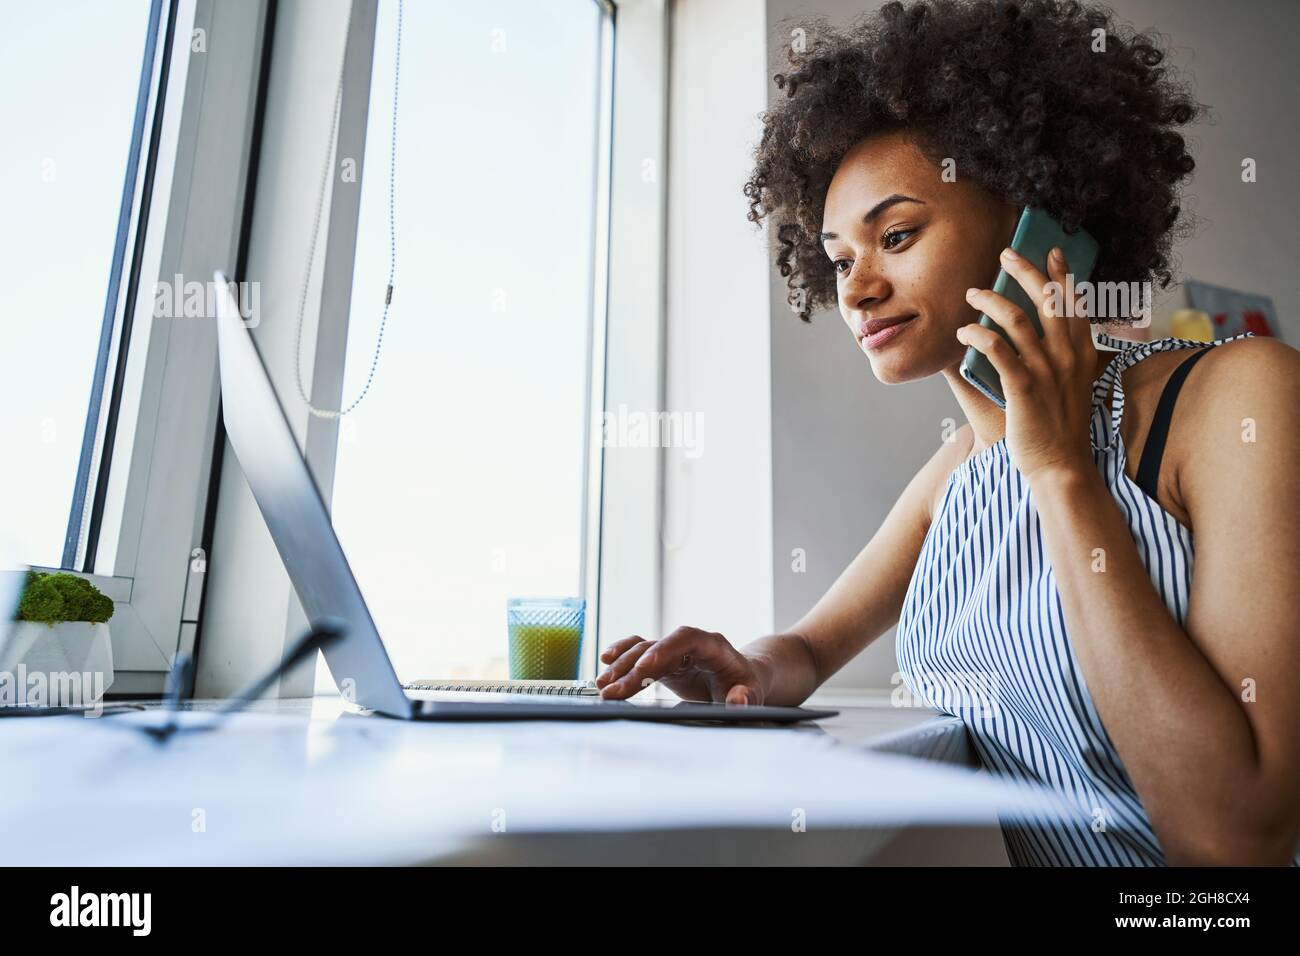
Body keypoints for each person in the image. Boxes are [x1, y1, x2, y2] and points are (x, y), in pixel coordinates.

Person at [596, 0, 1300, 866]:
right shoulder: (958, 475)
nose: (854, 292)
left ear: (1039, 222)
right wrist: (747, 667)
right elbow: (814, 647)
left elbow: (1235, 845)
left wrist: (1060, 472)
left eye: (896, 235)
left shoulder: (1237, 396)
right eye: (840, 259)